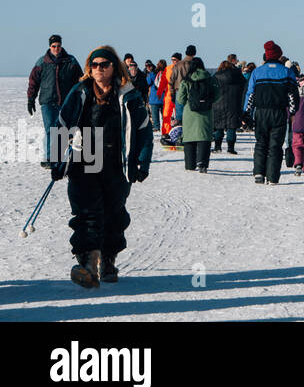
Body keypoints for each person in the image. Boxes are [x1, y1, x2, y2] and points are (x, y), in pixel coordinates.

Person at [51, 45, 152, 288]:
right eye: (94, 65)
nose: (98, 69)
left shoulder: (129, 95)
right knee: (86, 213)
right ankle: (88, 264)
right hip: (84, 160)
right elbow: (61, 125)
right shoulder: (80, 91)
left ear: (113, 67)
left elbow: (144, 131)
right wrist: (57, 160)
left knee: (114, 213)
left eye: (104, 64)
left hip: (116, 163)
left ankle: (108, 261)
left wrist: (142, 163)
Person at [243, 41, 301, 184]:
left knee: (261, 143)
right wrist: (293, 113)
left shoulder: (257, 72)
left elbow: (250, 95)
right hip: (279, 113)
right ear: (278, 56)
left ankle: (258, 173)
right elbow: (293, 95)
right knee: (275, 145)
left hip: (261, 112)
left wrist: (246, 113)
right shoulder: (287, 72)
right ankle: (273, 177)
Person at [27, 34, 82, 168]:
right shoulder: (42, 62)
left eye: (58, 46)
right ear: (49, 47)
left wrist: (80, 98)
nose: (56, 48)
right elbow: (33, 82)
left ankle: (63, 157)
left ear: (61, 46)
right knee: (50, 129)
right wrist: (30, 99)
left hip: (66, 102)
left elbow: (80, 80)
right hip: (48, 102)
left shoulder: (71, 61)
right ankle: (50, 158)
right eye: (53, 46)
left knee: (65, 130)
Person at [176, 56, 216, 172]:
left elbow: (180, 99)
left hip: (190, 112)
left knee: (189, 138)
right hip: (206, 112)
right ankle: (202, 163)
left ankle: (190, 164)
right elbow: (217, 95)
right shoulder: (210, 79)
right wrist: (208, 101)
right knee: (204, 137)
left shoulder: (186, 80)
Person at [211, 60, 244, 153]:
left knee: (219, 127)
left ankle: (217, 147)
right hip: (233, 104)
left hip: (218, 104)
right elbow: (244, 88)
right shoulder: (238, 76)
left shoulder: (216, 76)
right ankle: (230, 148)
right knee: (231, 127)